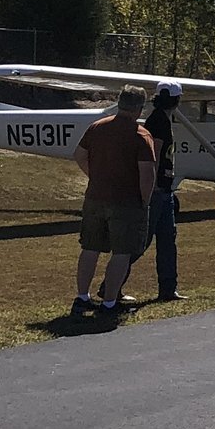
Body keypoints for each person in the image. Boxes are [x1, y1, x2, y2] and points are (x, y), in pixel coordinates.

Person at [72, 85, 156, 320]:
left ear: (119, 103)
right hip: (126, 202)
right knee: (122, 252)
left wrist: (95, 176)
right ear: (139, 108)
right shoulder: (141, 135)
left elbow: (79, 155)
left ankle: (82, 296)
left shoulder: (97, 127)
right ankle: (109, 302)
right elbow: (147, 174)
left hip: (94, 197)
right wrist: (145, 201)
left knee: (90, 248)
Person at [145, 81, 184, 302]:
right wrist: (152, 184)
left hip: (165, 189)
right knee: (142, 241)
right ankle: (111, 287)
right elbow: (156, 154)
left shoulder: (160, 119)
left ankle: (168, 289)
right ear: (177, 101)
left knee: (168, 240)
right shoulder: (158, 121)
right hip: (158, 189)